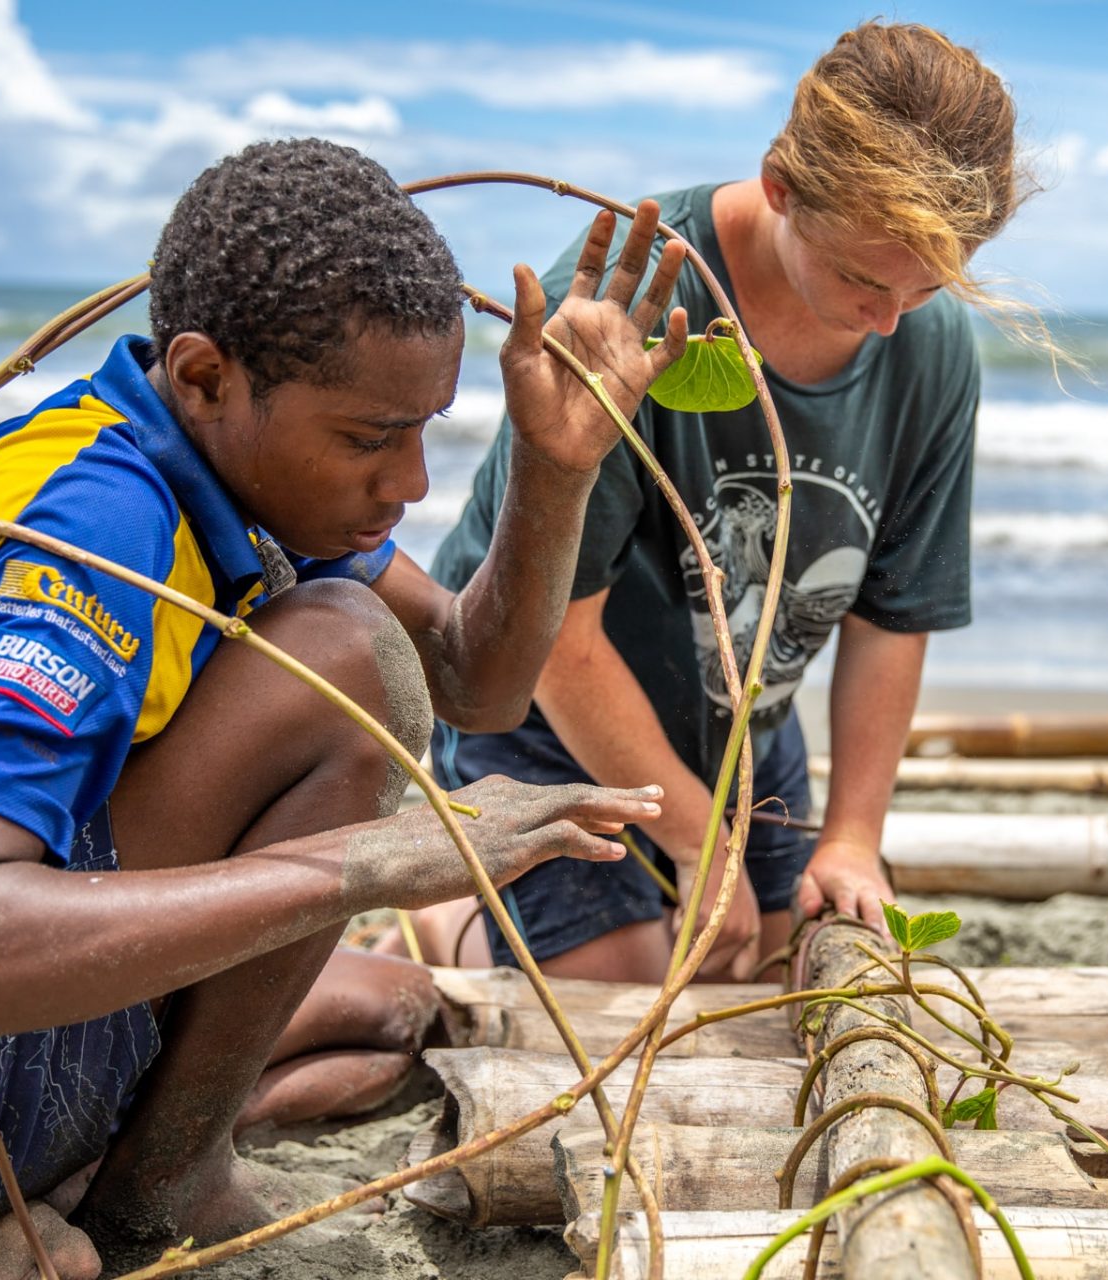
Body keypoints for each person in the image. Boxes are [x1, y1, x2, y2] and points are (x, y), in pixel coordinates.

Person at [0, 136, 687, 1278]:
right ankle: (142, 1194)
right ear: (206, 376)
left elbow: (474, 679)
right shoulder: (95, 529)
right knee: (345, 652)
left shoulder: (226, 467)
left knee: (394, 1006)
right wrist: (367, 865)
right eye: (368, 438)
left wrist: (556, 466)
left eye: (426, 429)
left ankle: (100, 1187)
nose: (410, 483)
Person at [425, 21, 1036, 983]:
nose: (889, 323)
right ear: (781, 187)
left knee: (787, 962)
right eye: (862, 278)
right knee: (627, 986)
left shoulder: (930, 345)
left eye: (923, 289)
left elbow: (894, 617)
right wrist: (696, 842)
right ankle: (440, 914)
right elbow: (557, 643)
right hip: (537, 704)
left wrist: (853, 839)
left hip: (737, 719)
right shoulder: (631, 301)